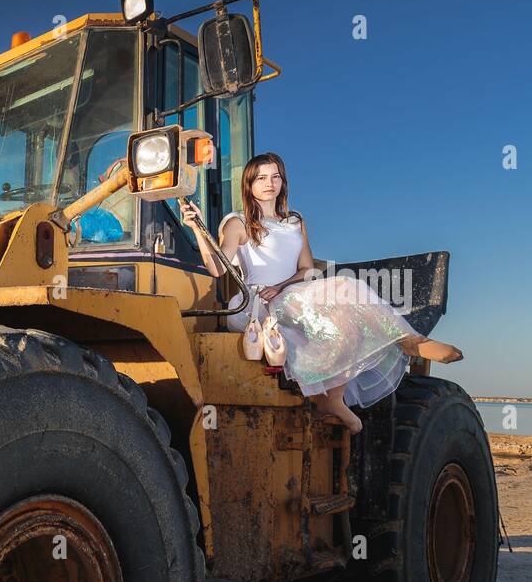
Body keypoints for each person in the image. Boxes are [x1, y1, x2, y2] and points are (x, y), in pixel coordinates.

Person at [180, 152, 462, 434]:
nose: (270, 183)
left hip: (289, 291)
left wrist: (282, 285)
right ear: (249, 184)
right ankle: (408, 340)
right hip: (255, 301)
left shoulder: (295, 221)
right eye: (262, 178)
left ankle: (333, 400)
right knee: (345, 285)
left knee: (347, 322)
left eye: (276, 176)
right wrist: (197, 230)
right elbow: (217, 269)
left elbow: (305, 268)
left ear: (283, 182)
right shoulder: (237, 223)